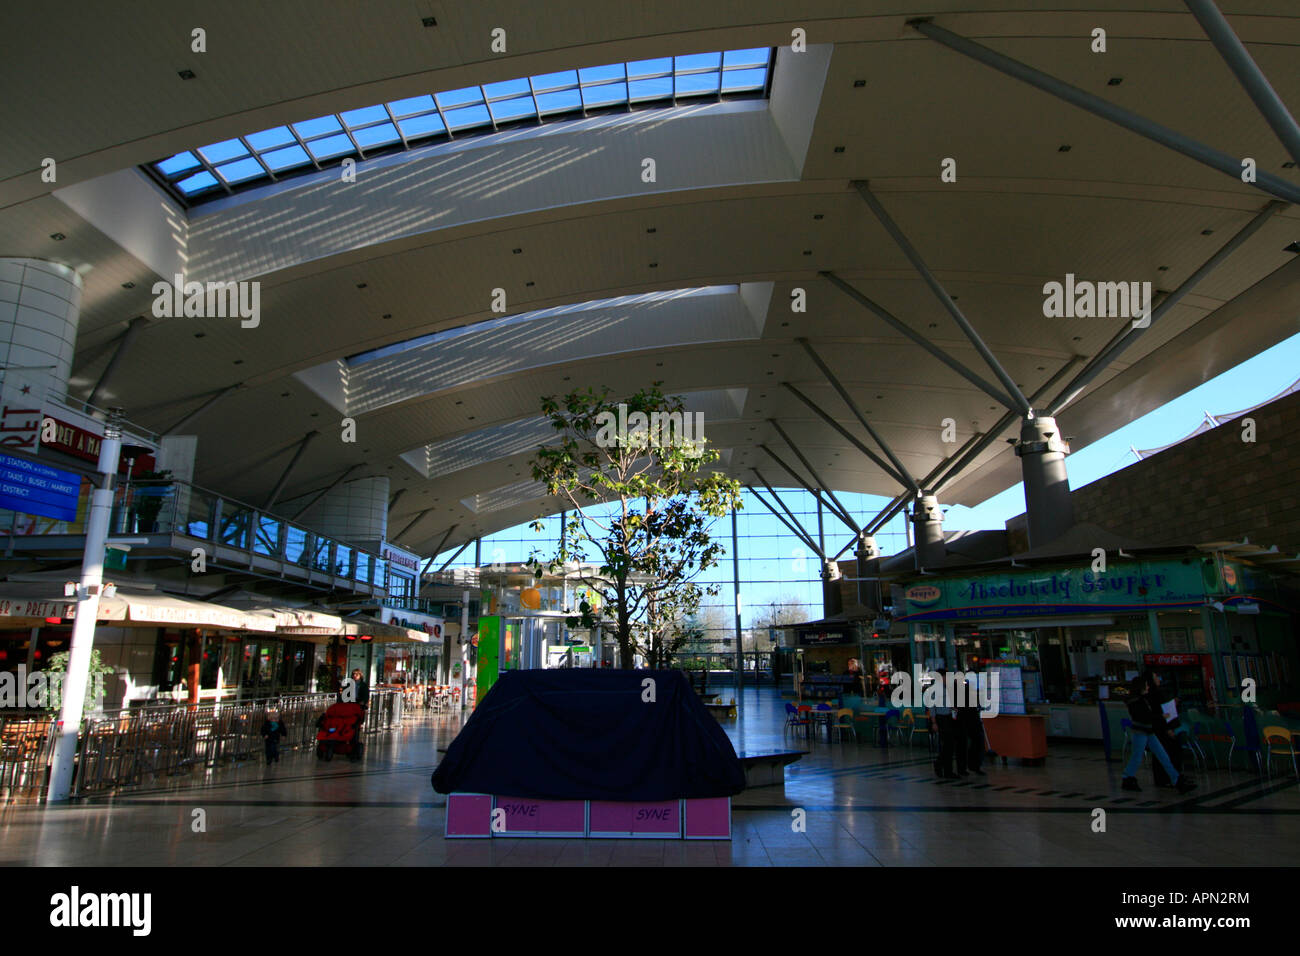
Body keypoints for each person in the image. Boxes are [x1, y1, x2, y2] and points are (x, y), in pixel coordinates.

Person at [1122, 673, 1195, 793]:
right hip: (1142, 732)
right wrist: (1161, 717)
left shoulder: (1141, 700)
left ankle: (1176, 779)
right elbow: (1144, 716)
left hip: (1147, 731)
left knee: (1162, 756)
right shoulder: (1136, 702)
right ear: (1141, 687)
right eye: (1146, 686)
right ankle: (1127, 776)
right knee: (1138, 756)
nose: (1148, 687)